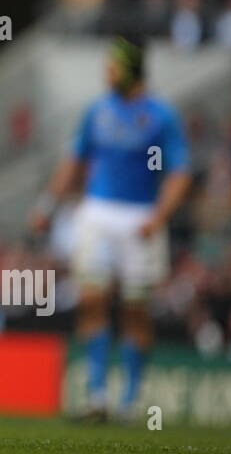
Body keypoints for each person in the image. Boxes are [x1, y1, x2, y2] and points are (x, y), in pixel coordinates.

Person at [29, 37, 192, 422]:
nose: (107, 72)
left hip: (140, 218)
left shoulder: (161, 116)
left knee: (135, 310)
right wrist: (47, 205)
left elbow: (180, 173)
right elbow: (74, 162)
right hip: (98, 214)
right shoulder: (97, 111)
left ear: (133, 69)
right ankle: (97, 395)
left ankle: (131, 401)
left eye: (114, 66)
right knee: (93, 299)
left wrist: (159, 215)